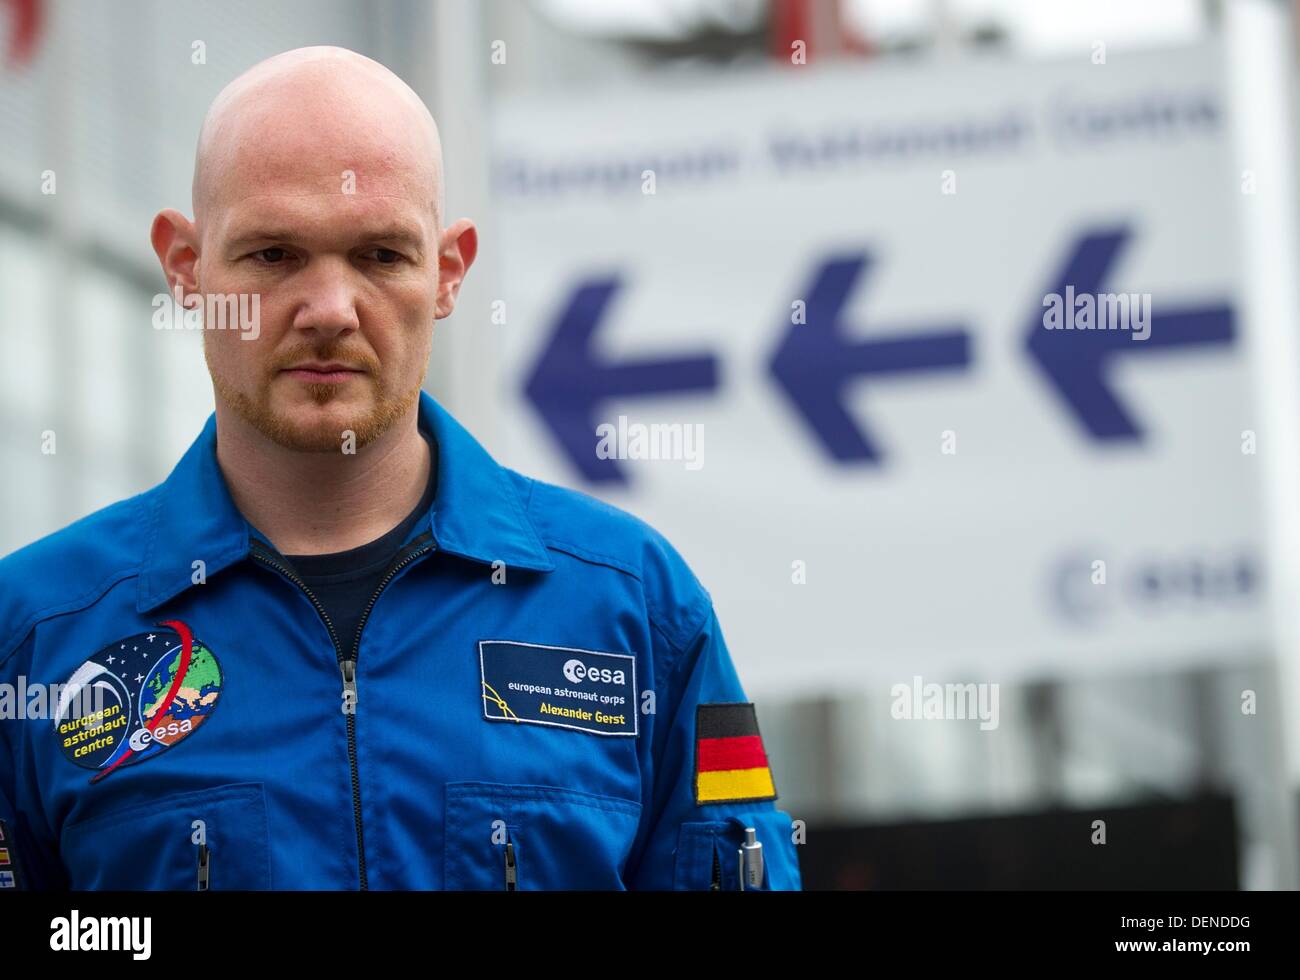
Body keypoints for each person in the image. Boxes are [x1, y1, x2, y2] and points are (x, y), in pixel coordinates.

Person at [0, 46, 800, 890]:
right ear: (185, 268)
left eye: (381, 255)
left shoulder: (638, 607)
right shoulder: (36, 635)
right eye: (273, 255)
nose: (329, 311)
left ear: (449, 272)